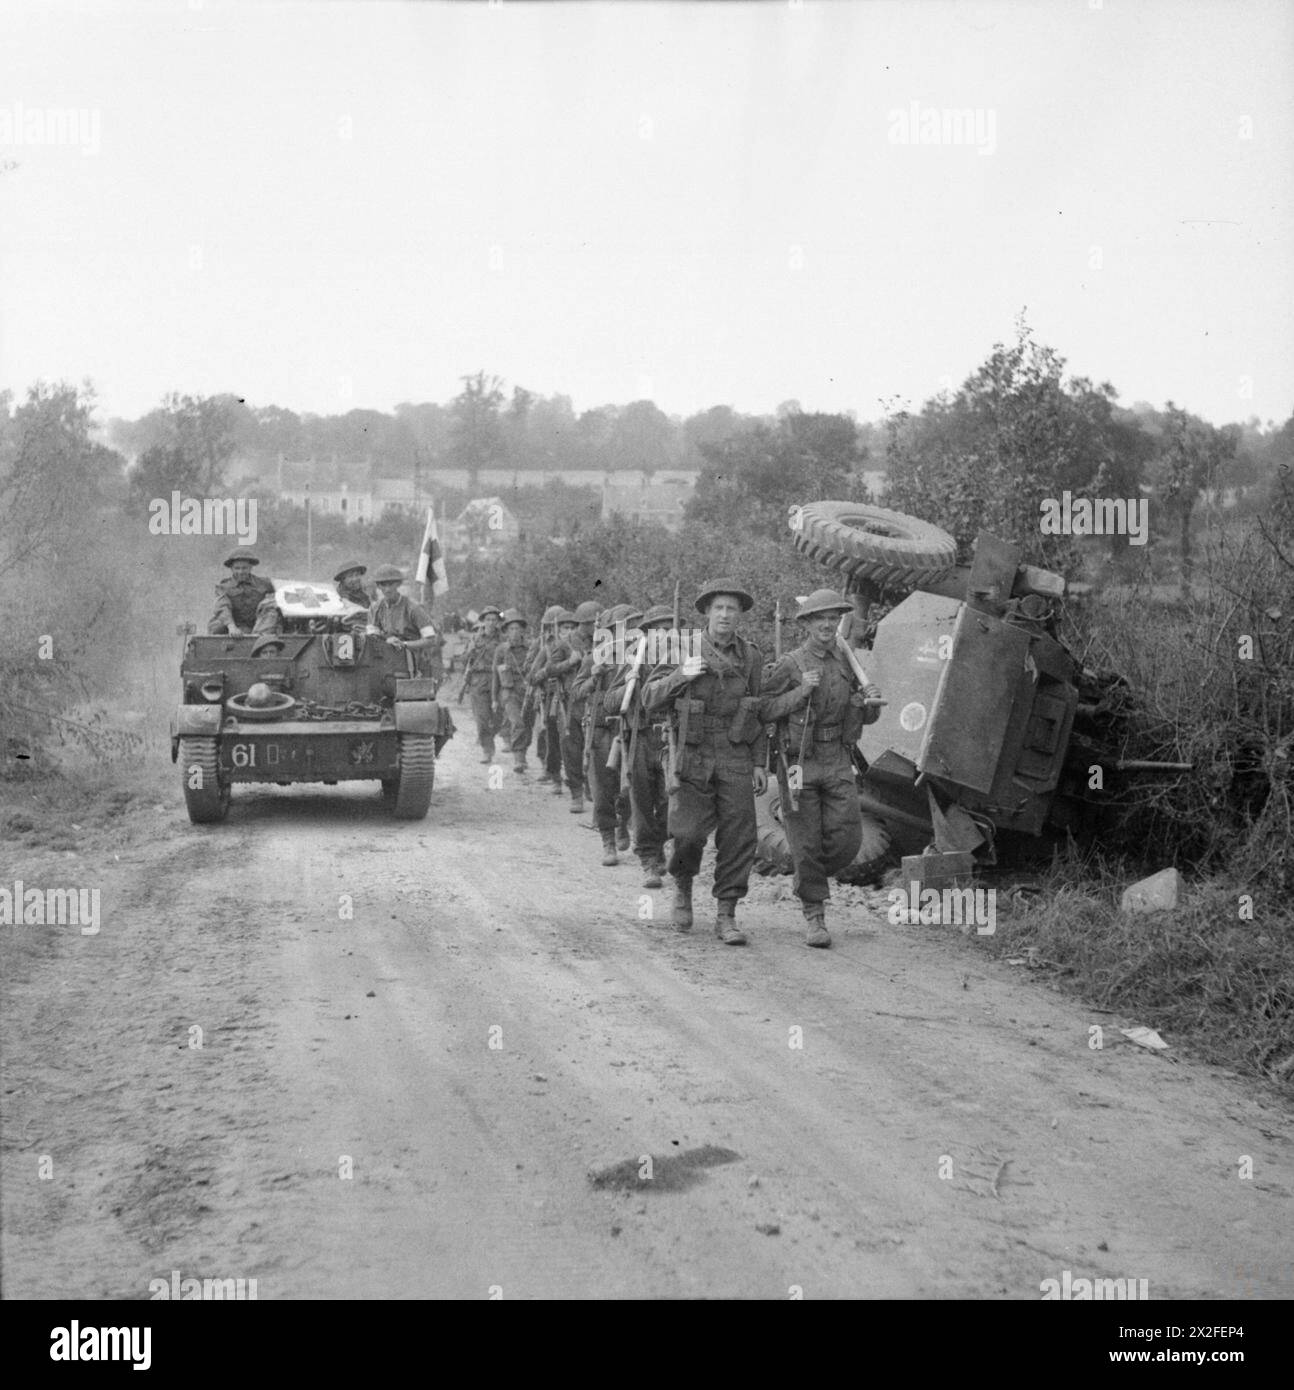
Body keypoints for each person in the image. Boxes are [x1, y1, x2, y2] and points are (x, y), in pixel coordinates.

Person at [642, 579, 804, 945]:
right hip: (692, 751)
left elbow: (759, 710)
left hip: (735, 753)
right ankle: (682, 886)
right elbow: (649, 697)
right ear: (706, 612)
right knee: (686, 834)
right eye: (719, 608)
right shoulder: (682, 649)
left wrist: (761, 763)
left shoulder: (751, 657)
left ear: (740, 615)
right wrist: (682, 675)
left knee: (739, 837)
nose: (726, 615)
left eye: (732, 609)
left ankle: (726, 912)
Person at [761, 589, 884, 948]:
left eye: (833, 618)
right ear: (807, 624)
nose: (828, 624)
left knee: (848, 837)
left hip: (837, 758)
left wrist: (869, 702)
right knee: (805, 839)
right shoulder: (790, 663)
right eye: (820, 618)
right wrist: (801, 691)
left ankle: (808, 874)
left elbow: (867, 715)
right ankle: (815, 915)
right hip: (799, 760)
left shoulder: (848, 662)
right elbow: (765, 709)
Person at [606, 602, 671, 886]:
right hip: (641, 739)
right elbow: (610, 701)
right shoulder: (635, 660)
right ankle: (649, 860)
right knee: (642, 803)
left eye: (669, 629)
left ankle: (660, 847)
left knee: (671, 802)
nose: (664, 635)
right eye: (658, 630)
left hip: (671, 741)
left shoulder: (686, 660)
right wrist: (627, 686)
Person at [574, 604, 636, 865]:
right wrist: (592, 677)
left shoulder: (640, 657)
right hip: (600, 731)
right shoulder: (594, 658)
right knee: (602, 789)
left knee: (631, 786)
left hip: (630, 730)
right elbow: (577, 692)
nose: (626, 634)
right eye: (620, 629)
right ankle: (608, 840)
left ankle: (624, 822)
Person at [541, 600, 599, 813]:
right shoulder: (565, 643)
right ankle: (576, 792)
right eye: (594, 622)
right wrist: (571, 662)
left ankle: (591, 787)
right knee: (571, 750)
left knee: (593, 748)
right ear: (584, 623)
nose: (597, 626)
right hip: (570, 704)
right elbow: (549, 670)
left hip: (593, 702)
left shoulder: (603, 642)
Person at [461, 604, 502, 763]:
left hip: (498, 680)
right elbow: (463, 659)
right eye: (488, 619)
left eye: (494, 619)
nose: (491, 622)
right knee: (482, 718)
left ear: (498, 622)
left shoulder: (502, 638)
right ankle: (487, 749)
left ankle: (487, 737)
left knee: (500, 717)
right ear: (483, 621)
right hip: (479, 681)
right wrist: (470, 651)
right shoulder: (475, 638)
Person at [494, 609, 532, 775]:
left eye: (517, 628)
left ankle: (522, 753)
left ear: (523, 630)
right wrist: (494, 699)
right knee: (517, 723)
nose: (515, 632)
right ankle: (518, 758)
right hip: (509, 692)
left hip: (528, 692)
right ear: (506, 632)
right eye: (511, 629)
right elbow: (495, 674)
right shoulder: (502, 650)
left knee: (528, 725)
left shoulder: (531, 647)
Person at [208, 547, 274, 635]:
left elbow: (284, 589)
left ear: (250, 567)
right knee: (217, 625)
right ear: (231, 568)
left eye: (244, 568)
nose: (240, 572)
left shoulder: (264, 583)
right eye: (237, 568)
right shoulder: (223, 587)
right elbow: (222, 607)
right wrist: (231, 627)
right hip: (231, 626)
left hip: (256, 626)